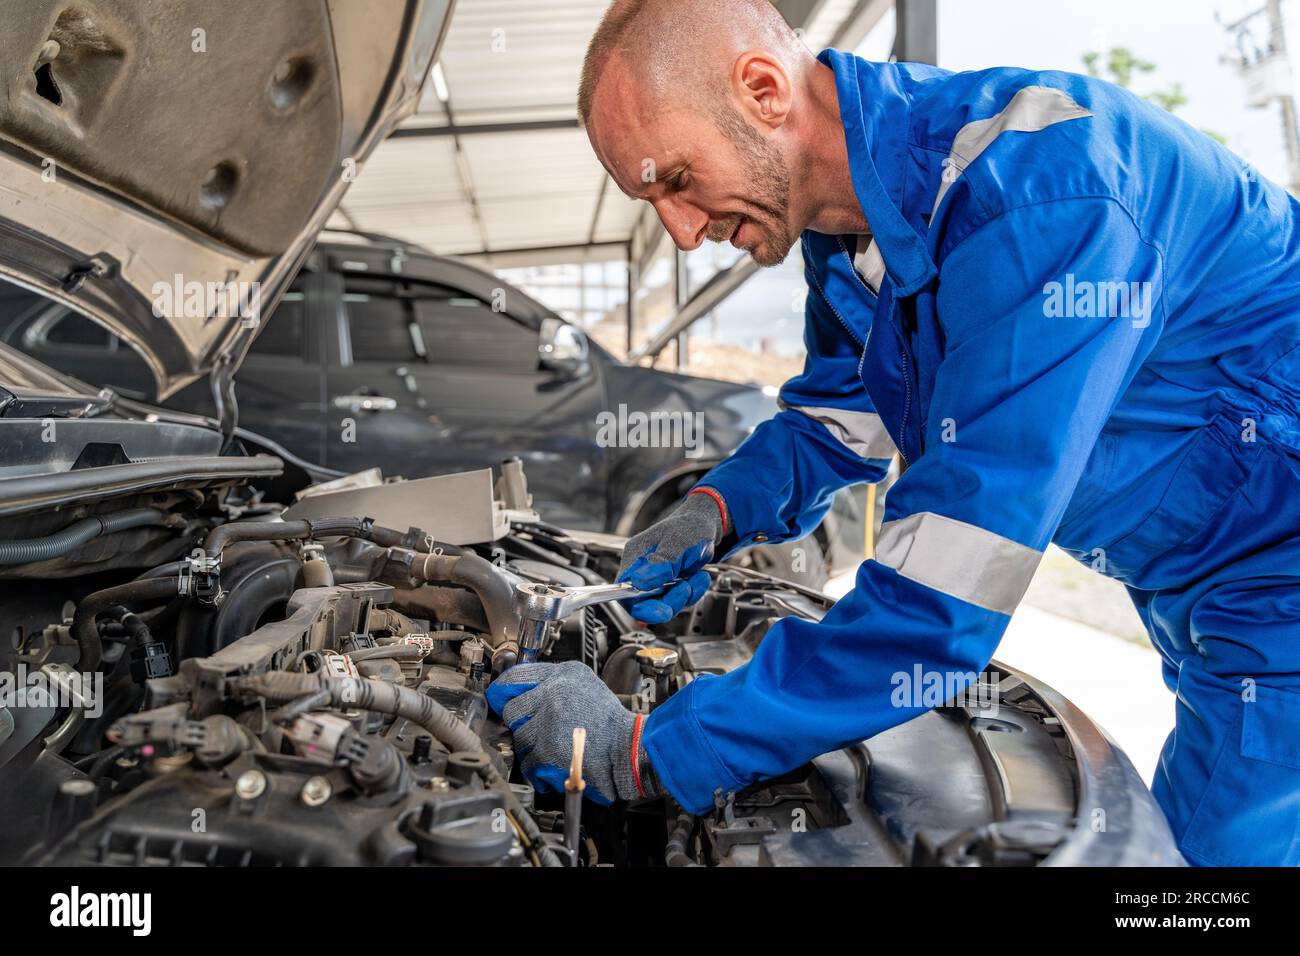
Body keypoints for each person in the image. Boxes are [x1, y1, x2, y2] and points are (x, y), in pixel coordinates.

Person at [487, 0, 1300, 866]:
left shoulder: (1040, 201)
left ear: (763, 90)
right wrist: (715, 510)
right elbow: (841, 419)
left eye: (677, 179)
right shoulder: (851, 237)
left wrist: (650, 751)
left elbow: (944, 588)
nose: (682, 232)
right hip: (1200, 586)